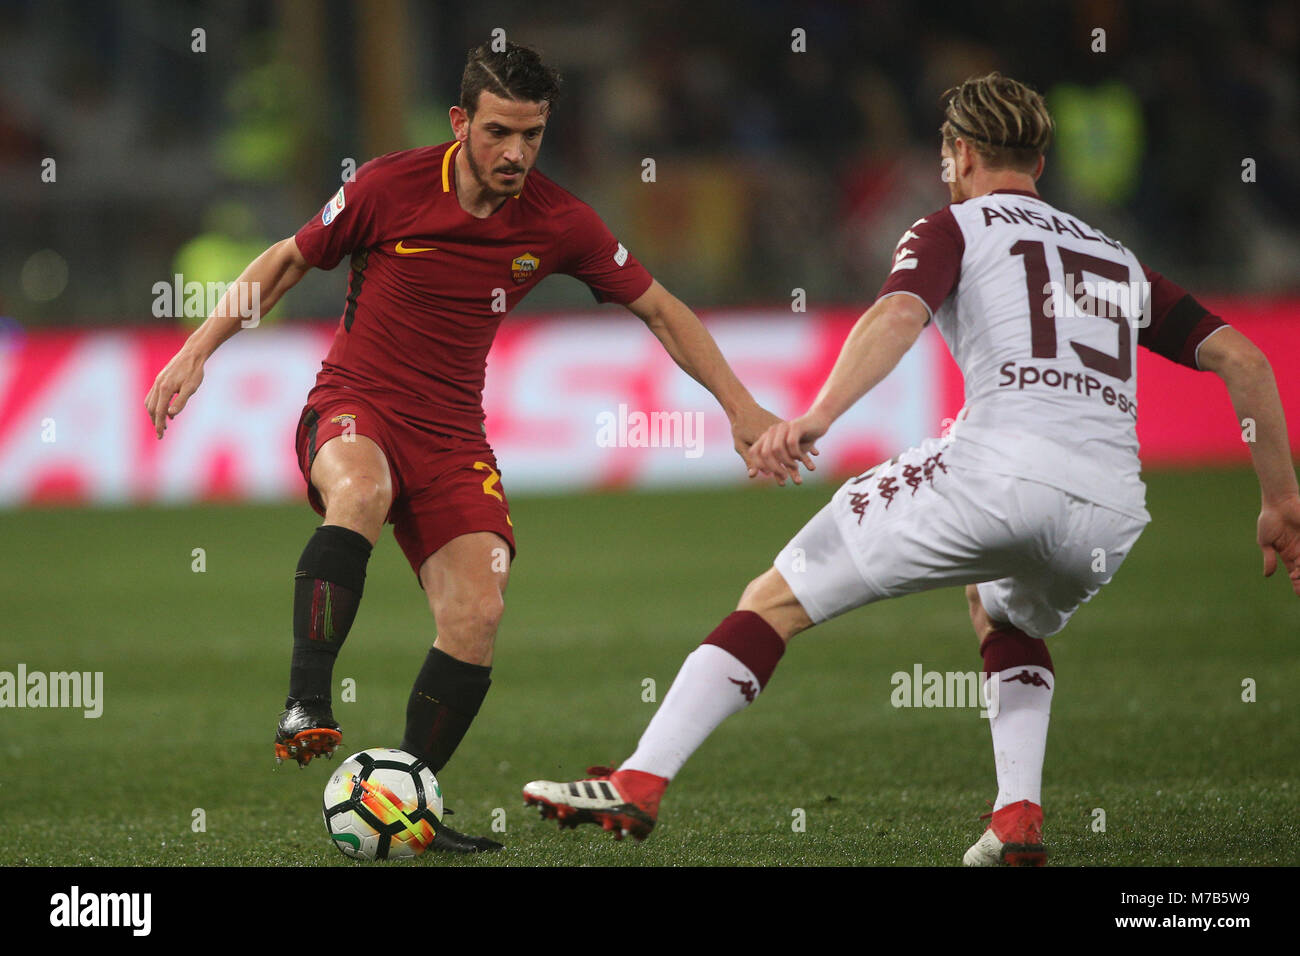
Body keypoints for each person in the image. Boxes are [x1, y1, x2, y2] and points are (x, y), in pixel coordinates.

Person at [522, 72, 1300, 865]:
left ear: (960, 153)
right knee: (1005, 612)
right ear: (1038, 156)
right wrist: (1279, 502)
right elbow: (1243, 357)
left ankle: (640, 781)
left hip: (998, 475)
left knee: (774, 598)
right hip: (1109, 510)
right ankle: (1016, 820)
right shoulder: (1112, 255)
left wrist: (815, 418)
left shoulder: (955, 226)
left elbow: (898, 313)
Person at [145, 42, 777, 853]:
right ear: (460, 123)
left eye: (534, 134)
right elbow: (289, 259)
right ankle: (307, 700)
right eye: (500, 132)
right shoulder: (388, 186)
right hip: (355, 404)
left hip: (452, 439)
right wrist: (198, 348)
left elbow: (660, 308)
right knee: (361, 493)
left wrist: (742, 408)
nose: (516, 153)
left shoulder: (558, 220)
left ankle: (408, 801)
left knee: (479, 612)